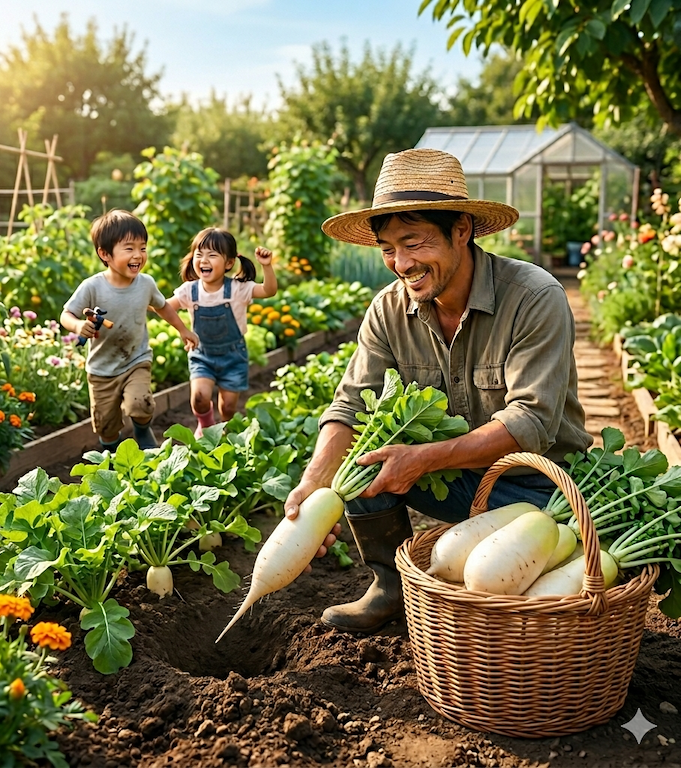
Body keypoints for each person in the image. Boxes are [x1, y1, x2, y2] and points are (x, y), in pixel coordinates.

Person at [283, 148, 592, 635]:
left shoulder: (534, 297)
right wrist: (314, 483)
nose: (400, 263)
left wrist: (425, 458)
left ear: (462, 230)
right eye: (387, 248)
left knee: (517, 573)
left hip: (540, 488)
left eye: (414, 242)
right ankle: (390, 588)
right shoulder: (388, 310)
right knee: (354, 466)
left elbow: (530, 422)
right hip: (454, 482)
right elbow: (349, 404)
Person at [61, 209, 199, 452]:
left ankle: (142, 429)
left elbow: (163, 307)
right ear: (105, 254)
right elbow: (66, 315)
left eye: (142, 248)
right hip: (102, 369)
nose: (138, 255)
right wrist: (78, 326)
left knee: (141, 404)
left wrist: (183, 330)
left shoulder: (145, 284)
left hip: (136, 359)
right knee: (106, 424)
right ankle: (112, 455)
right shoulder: (92, 286)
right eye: (129, 248)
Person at [167, 227, 277, 437]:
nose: (204, 260)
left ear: (228, 263)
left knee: (228, 408)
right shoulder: (190, 290)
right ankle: (206, 425)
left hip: (233, 355)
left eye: (212, 255)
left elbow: (268, 290)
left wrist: (267, 266)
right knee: (199, 397)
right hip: (202, 354)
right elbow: (164, 307)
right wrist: (142, 294)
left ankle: (225, 433)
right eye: (199, 254)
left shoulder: (238, 289)